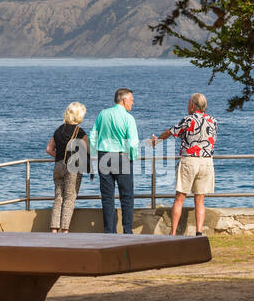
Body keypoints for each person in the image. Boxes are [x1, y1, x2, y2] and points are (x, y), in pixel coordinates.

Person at [149, 92, 217, 235]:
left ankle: (173, 232)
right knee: (200, 199)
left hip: (190, 160)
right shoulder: (213, 121)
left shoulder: (188, 120)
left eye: (188, 103)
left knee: (180, 198)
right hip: (206, 162)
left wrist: (157, 141)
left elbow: (171, 132)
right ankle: (198, 231)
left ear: (193, 105)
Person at [90, 88, 140, 233]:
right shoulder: (128, 118)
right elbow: (132, 143)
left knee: (107, 196)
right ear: (124, 100)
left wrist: (95, 152)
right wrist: (132, 157)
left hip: (104, 155)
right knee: (127, 196)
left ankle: (109, 231)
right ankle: (127, 230)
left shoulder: (103, 114)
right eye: (131, 100)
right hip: (121, 156)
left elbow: (93, 135)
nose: (133, 103)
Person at [46, 102, 89, 232]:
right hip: (72, 168)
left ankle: (54, 229)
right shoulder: (79, 132)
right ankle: (65, 230)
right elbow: (89, 151)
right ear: (79, 116)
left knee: (58, 197)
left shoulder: (58, 130)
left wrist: (60, 157)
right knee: (70, 198)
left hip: (58, 166)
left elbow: (48, 149)